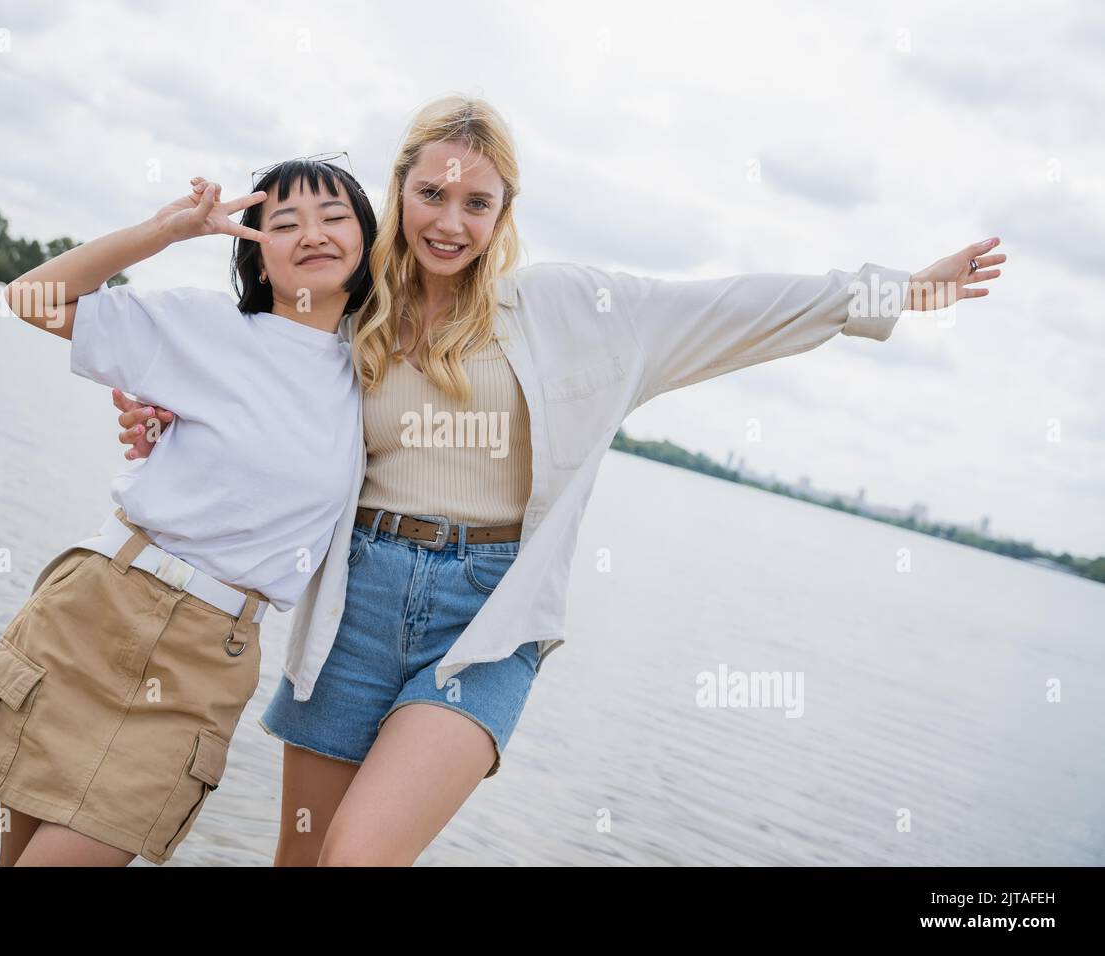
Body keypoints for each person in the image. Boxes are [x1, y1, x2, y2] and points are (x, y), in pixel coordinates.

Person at [113, 95, 1007, 866]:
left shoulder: (570, 311)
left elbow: (731, 305)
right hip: (357, 604)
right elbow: (255, 386)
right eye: (430, 195)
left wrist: (892, 293)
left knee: (356, 856)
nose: (449, 222)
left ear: (504, 213)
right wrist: (169, 420)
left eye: (476, 202)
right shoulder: (354, 313)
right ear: (399, 191)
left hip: (487, 618)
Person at [0, 156, 377, 865]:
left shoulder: (379, 373)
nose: (313, 234)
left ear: (368, 244)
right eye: (284, 221)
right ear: (257, 257)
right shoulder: (202, 325)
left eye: (335, 217)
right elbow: (30, 298)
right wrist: (163, 231)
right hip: (97, 606)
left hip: (206, 659)